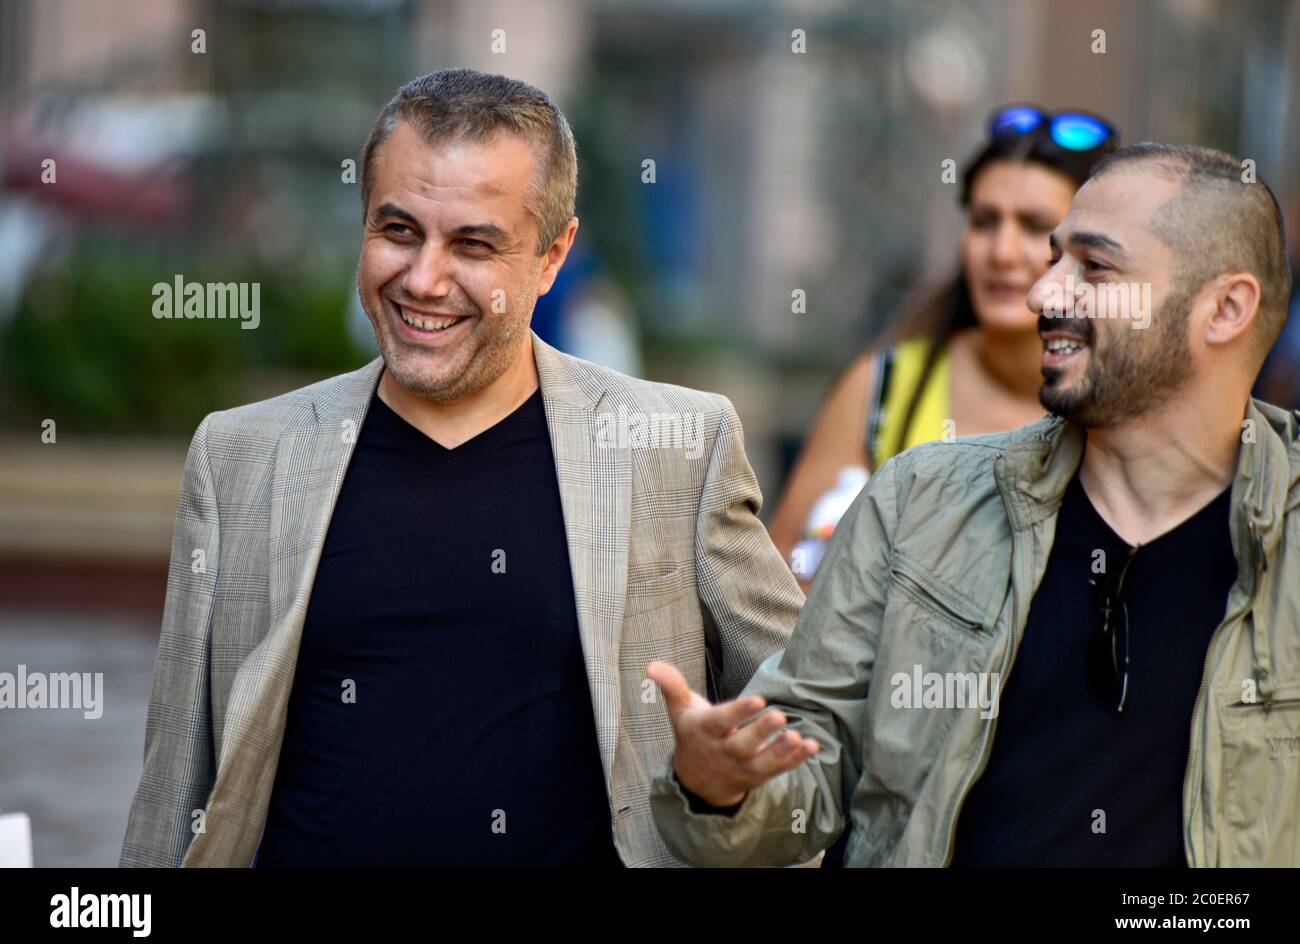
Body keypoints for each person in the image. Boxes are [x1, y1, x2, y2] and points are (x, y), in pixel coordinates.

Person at [120, 68, 803, 868]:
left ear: (552, 257)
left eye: (473, 243)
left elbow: (811, 732)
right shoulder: (240, 456)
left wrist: (717, 785)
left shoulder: (679, 445)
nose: (424, 278)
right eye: (398, 231)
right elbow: (174, 792)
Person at [648, 143, 1298, 867]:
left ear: (1226, 307)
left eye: (1096, 266)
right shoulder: (917, 500)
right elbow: (811, 763)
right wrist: (719, 787)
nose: (1043, 293)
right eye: (1057, 259)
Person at [770, 106, 1118, 582]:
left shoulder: (1125, 407)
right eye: (984, 221)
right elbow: (778, 591)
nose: (1002, 251)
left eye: (1036, 227)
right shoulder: (882, 386)